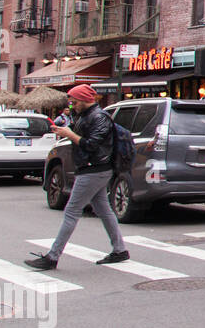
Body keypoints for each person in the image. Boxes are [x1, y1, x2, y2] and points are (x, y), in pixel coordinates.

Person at [25, 85, 128, 270]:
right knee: (103, 210)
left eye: (74, 101)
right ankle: (120, 249)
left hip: (94, 169)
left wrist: (70, 134)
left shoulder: (99, 117)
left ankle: (52, 257)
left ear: (84, 99)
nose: (72, 105)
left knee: (71, 212)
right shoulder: (85, 115)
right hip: (93, 169)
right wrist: (65, 130)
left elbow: (91, 145)